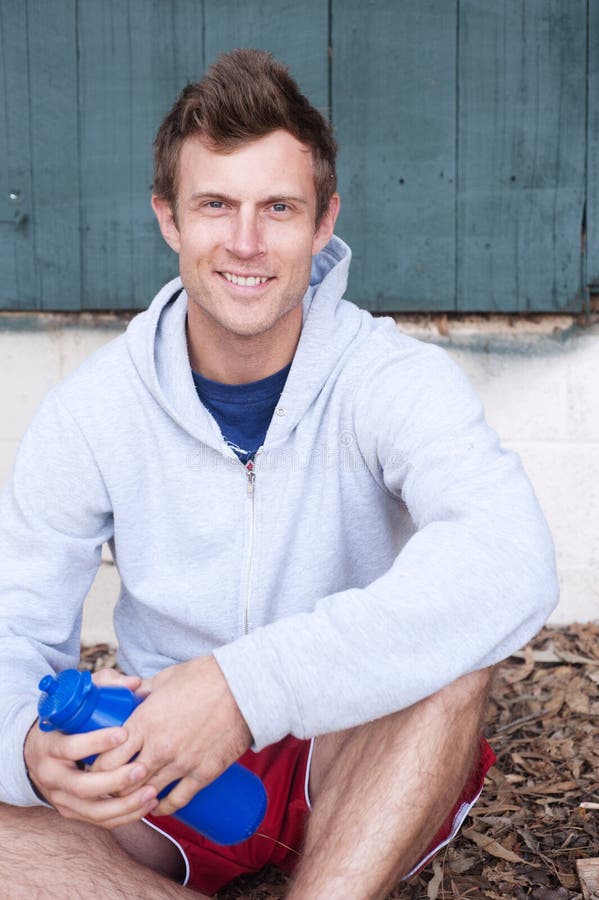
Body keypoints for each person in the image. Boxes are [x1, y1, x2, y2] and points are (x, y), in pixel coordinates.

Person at [0, 49, 557, 899]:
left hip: (344, 737)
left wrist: (243, 688)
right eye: (215, 205)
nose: (247, 242)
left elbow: (509, 558)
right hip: (160, 769)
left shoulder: (387, 378)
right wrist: (26, 754)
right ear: (168, 219)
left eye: (279, 208)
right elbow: (13, 623)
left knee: (454, 662)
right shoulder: (93, 410)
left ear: (324, 220)